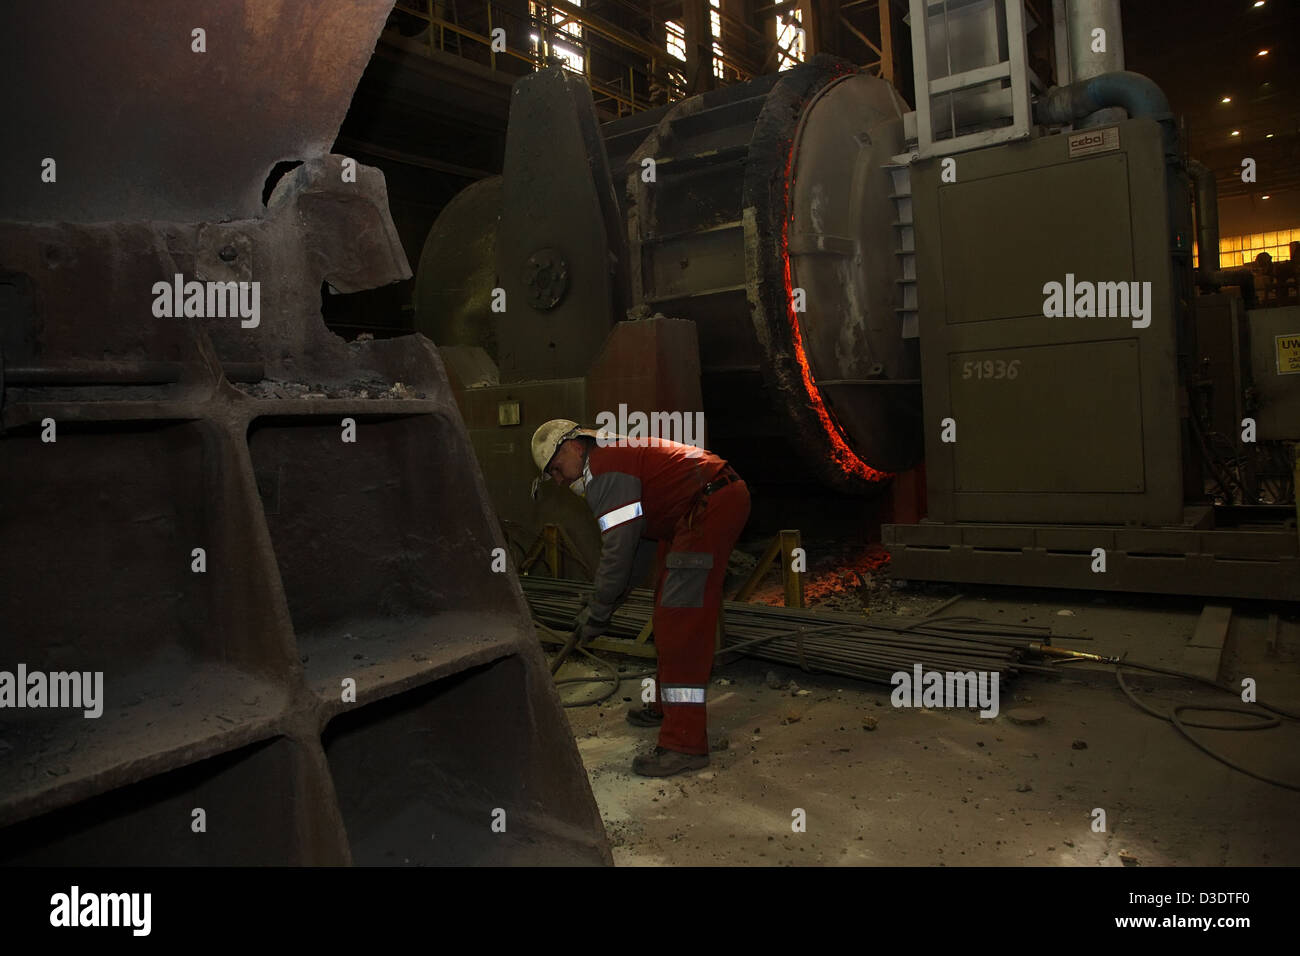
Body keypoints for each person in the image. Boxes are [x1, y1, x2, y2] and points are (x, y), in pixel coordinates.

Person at [530, 419, 750, 776]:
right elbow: (635, 549)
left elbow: (618, 552)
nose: (558, 480)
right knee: (668, 616)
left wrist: (600, 611)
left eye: (555, 469)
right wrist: (608, 601)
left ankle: (685, 744)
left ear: (572, 446)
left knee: (680, 625)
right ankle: (666, 707)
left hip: (708, 507)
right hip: (689, 512)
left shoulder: (605, 470)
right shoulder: (613, 459)